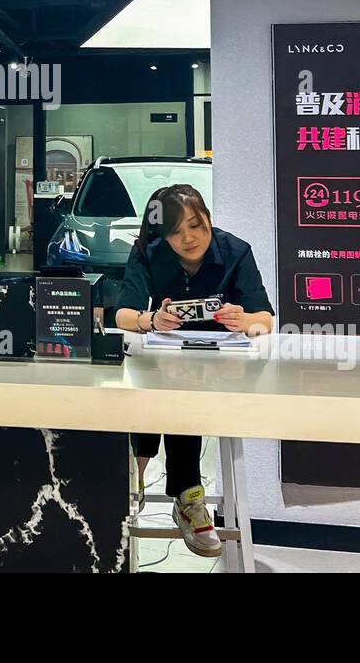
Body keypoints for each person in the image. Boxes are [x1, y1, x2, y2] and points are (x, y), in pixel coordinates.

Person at [114, 183, 273, 558]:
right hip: (166, 357)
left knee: (176, 392)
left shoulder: (235, 251)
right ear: (162, 235)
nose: (188, 238)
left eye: (196, 225)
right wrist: (151, 318)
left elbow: (264, 320)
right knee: (153, 381)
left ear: (208, 220)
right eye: (175, 231)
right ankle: (172, 489)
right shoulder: (147, 253)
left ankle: (171, 489)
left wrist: (243, 318)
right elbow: (123, 314)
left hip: (225, 365)